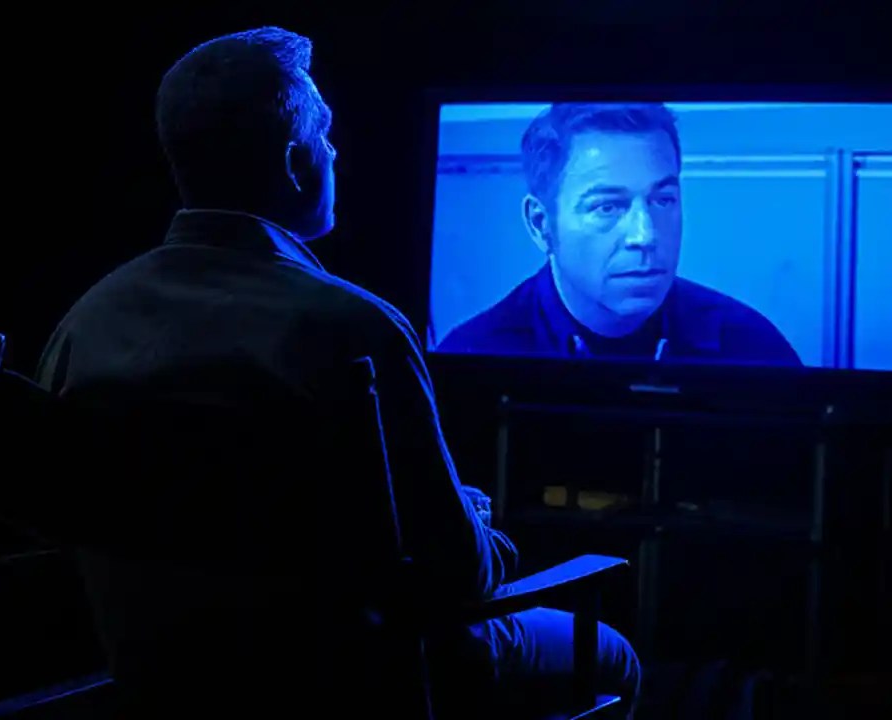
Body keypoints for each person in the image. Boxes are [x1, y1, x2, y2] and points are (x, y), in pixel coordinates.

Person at [35, 28, 639, 717]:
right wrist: (476, 519)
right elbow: (458, 575)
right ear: (297, 163)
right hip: (363, 683)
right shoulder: (353, 328)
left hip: (165, 681)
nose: (336, 152)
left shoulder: (86, 322)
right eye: (325, 136)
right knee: (613, 656)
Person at [437, 102, 803, 366]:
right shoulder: (472, 358)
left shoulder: (751, 348)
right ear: (541, 224)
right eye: (607, 207)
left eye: (663, 200)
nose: (645, 237)